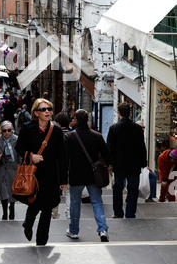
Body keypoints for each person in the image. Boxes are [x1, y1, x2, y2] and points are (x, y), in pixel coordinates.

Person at [15, 98, 67, 246]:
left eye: (49, 109)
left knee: (48, 206)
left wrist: (63, 179)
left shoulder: (56, 130)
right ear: (36, 113)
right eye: (43, 109)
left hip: (51, 173)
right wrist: (31, 157)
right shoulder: (27, 127)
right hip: (33, 172)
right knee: (35, 201)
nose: (47, 112)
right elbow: (19, 148)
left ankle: (42, 240)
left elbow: (62, 155)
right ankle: (29, 221)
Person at [64, 109, 111, 242]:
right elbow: (107, 153)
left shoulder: (69, 137)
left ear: (76, 121)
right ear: (87, 120)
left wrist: (63, 175)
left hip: (76, 174)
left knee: (75, 202)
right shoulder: (97, 135)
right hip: (93, 174)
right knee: (96, 201)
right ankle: (102, 229)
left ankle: (73, 230)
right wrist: (108, 164)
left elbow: (65, 158)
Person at [107, 102, 147, 218]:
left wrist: (110, 163)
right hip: (134, 164)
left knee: (118, 188)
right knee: (133, 189)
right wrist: (143, 162)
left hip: (119, 164)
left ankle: (118, 212)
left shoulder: (114, 128)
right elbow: (142, 147)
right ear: (130, 113)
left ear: (118, 113)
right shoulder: (137, 129)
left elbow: (110, 147)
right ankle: (130, 213)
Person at [0, 121, 20, 220]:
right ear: (1, 131)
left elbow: (20, 154)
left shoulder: (17, 140)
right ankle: (4, 213)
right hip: (1, 169)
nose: (7, 132)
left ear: (12, 130)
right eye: (4, 131)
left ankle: (12, 209)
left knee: (12, 191)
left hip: (13, 168)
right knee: (3, 192)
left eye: (9, 130)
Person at [52, 112, 71, 219]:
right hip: (69, 166)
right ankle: (68, 211)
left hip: (56, 167)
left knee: (55, 190)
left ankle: (54, 213)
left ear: (58, 123)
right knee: (68, 191)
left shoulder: (55, 136)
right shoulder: (73, 134)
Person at [136, 121, 157, 202]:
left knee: (152, 176)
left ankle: (150, 197)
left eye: (143, 127)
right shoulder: (135, 137)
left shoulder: (141, 137)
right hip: (135, 165)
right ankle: (149, 197)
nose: (143, 129)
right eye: (141, 127)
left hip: (140, 165)